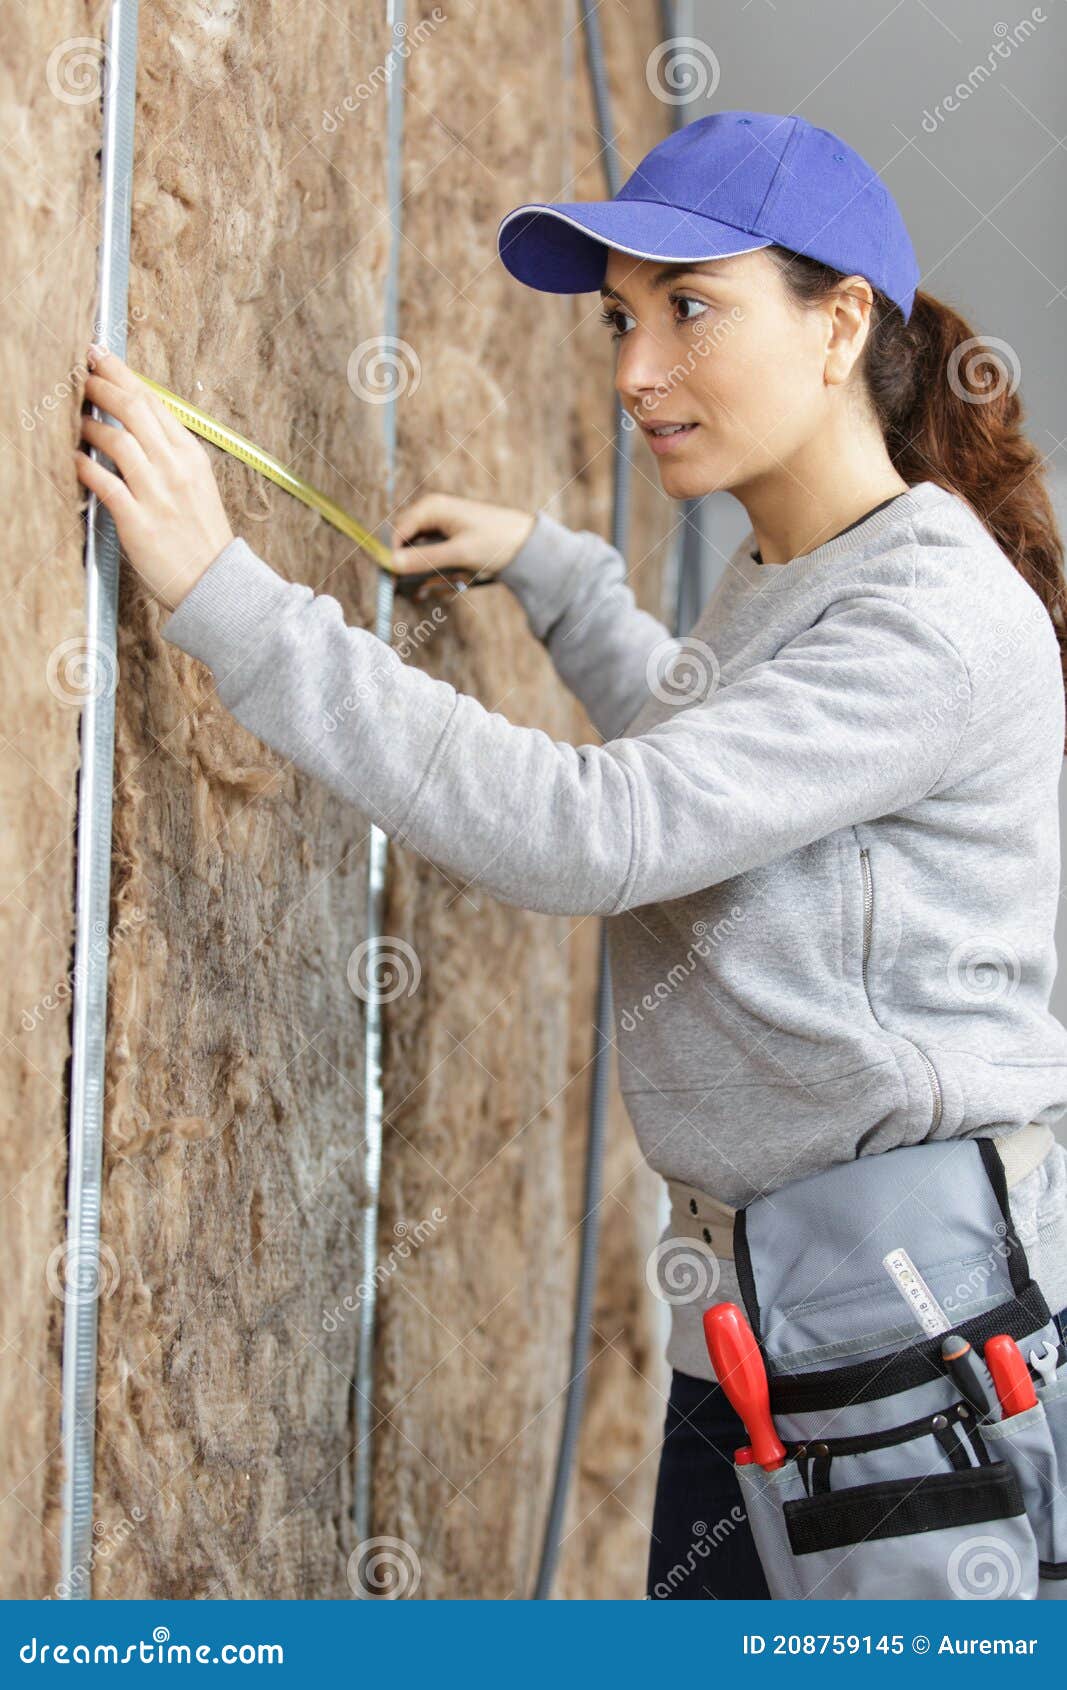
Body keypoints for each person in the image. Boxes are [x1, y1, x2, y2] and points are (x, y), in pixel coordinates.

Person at [74, 111, 1067, 1600]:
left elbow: (603, 830)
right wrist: (555, 571)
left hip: (906, 1363)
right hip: (770, 1343)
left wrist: (228, 597)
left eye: (691, 309)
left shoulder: (932, 616)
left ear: (840, 322)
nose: (633, 370)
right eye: (620, 317)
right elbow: (716, 762)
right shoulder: (799, 565)